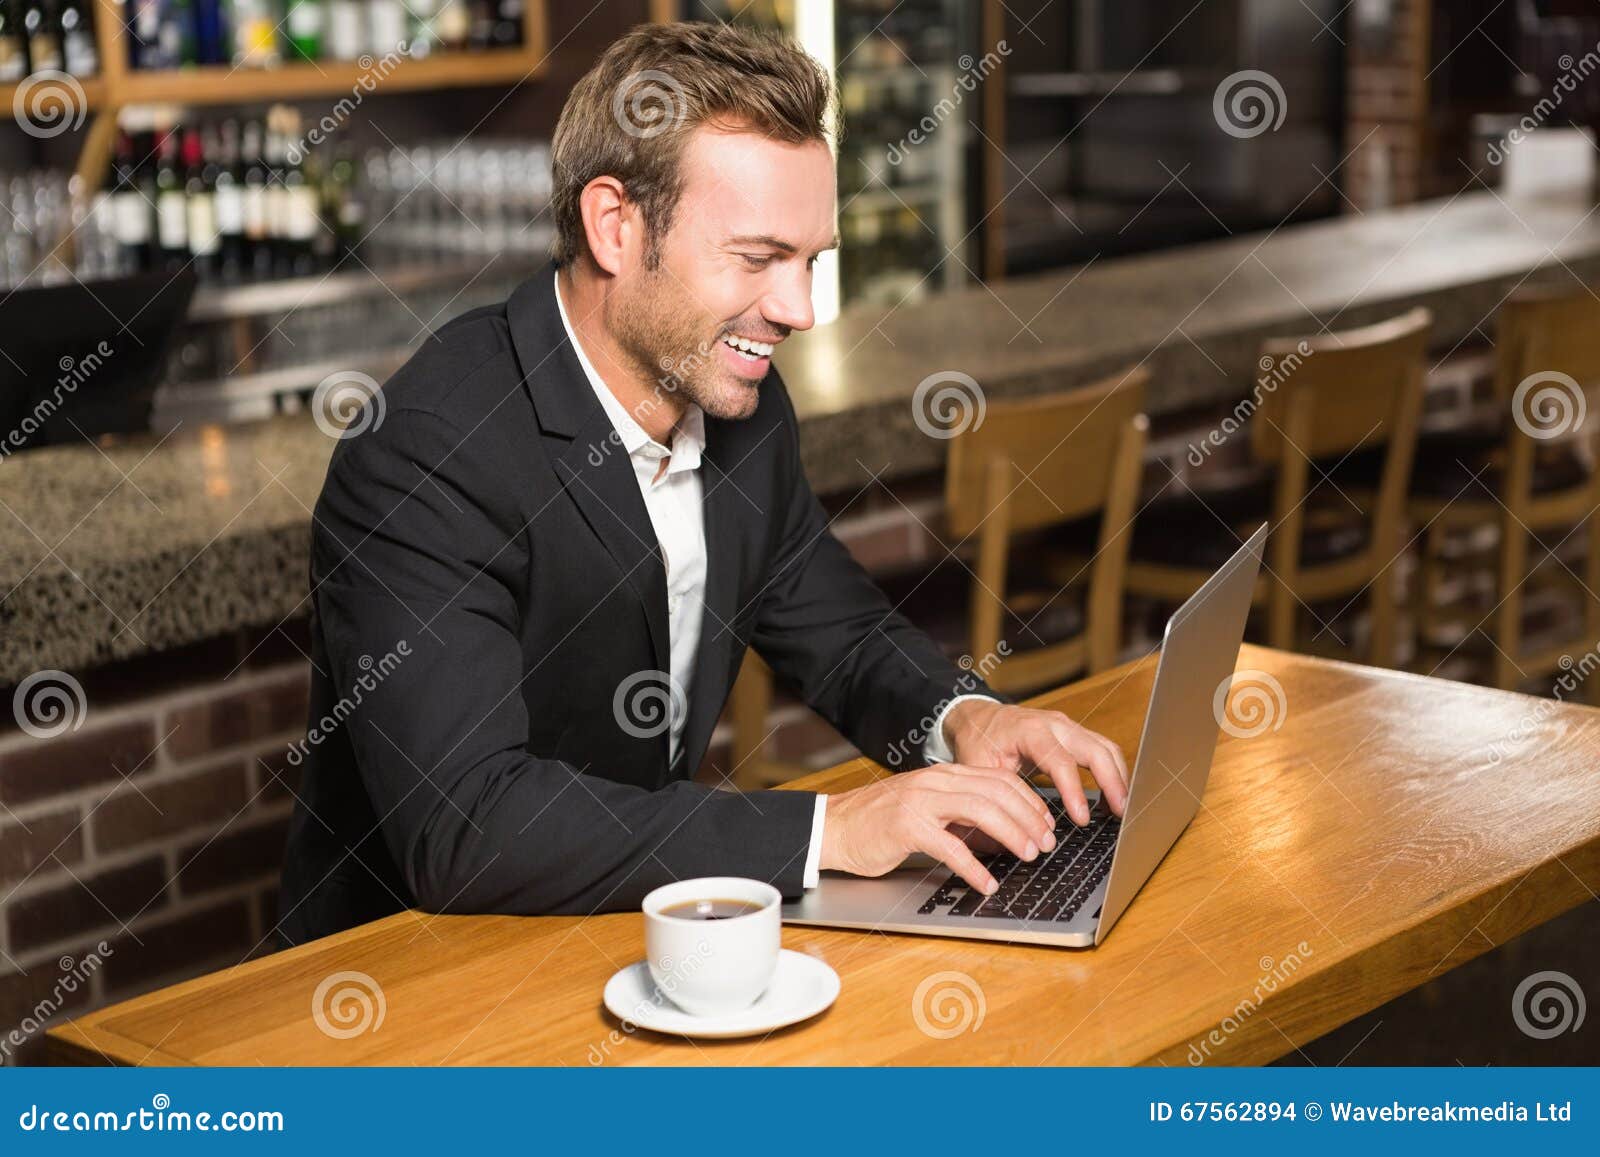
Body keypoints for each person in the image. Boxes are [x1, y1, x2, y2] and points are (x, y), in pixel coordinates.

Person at [277, 21, 1128, 945]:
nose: (798, 310)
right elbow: (468, 823)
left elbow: (836, 629)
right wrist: (834, 827)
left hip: (623, 938)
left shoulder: (739, 401)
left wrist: (962, 721)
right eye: (759, 258)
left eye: (812, 261)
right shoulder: (428, 449)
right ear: (615, 226)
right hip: (404, 984)